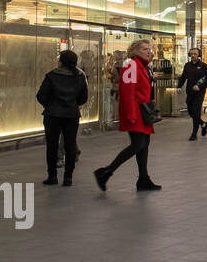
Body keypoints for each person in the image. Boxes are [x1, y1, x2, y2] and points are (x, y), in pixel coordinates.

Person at [95, 38, 160, 192]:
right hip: (136, 112)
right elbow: (127, 92)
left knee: (144, 145)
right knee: (138, 145)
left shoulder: (142, 67)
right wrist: (131, 114)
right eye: (144, 49)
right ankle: (106, 172)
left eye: (149, 49)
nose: (148, 52)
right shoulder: (131, 66)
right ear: (135, 51)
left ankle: (143, 179)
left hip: (144, 112)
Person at [36, 49, 88, 186]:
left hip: (52, 115)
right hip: (71, 115)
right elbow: (83, 98)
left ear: (61, 62)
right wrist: (73, 104)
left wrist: (50, 105)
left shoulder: (51, 76)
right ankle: (68, 177)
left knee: (52, 146)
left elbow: (41, 95)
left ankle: (52, 176)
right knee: (70, 145)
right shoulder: (80, 77)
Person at [178, 48, 207, 141]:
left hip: (199, 93)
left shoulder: (204, 66)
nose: (193, 55)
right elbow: (183, 77)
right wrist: (179, 86)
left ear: (199, 55)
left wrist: (200, 86)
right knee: (190, 111)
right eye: (191, 54)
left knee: (196, 112)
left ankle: (194, 134)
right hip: (189, 92)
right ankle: (203, 124)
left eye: (195, 54)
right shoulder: (187, 65)